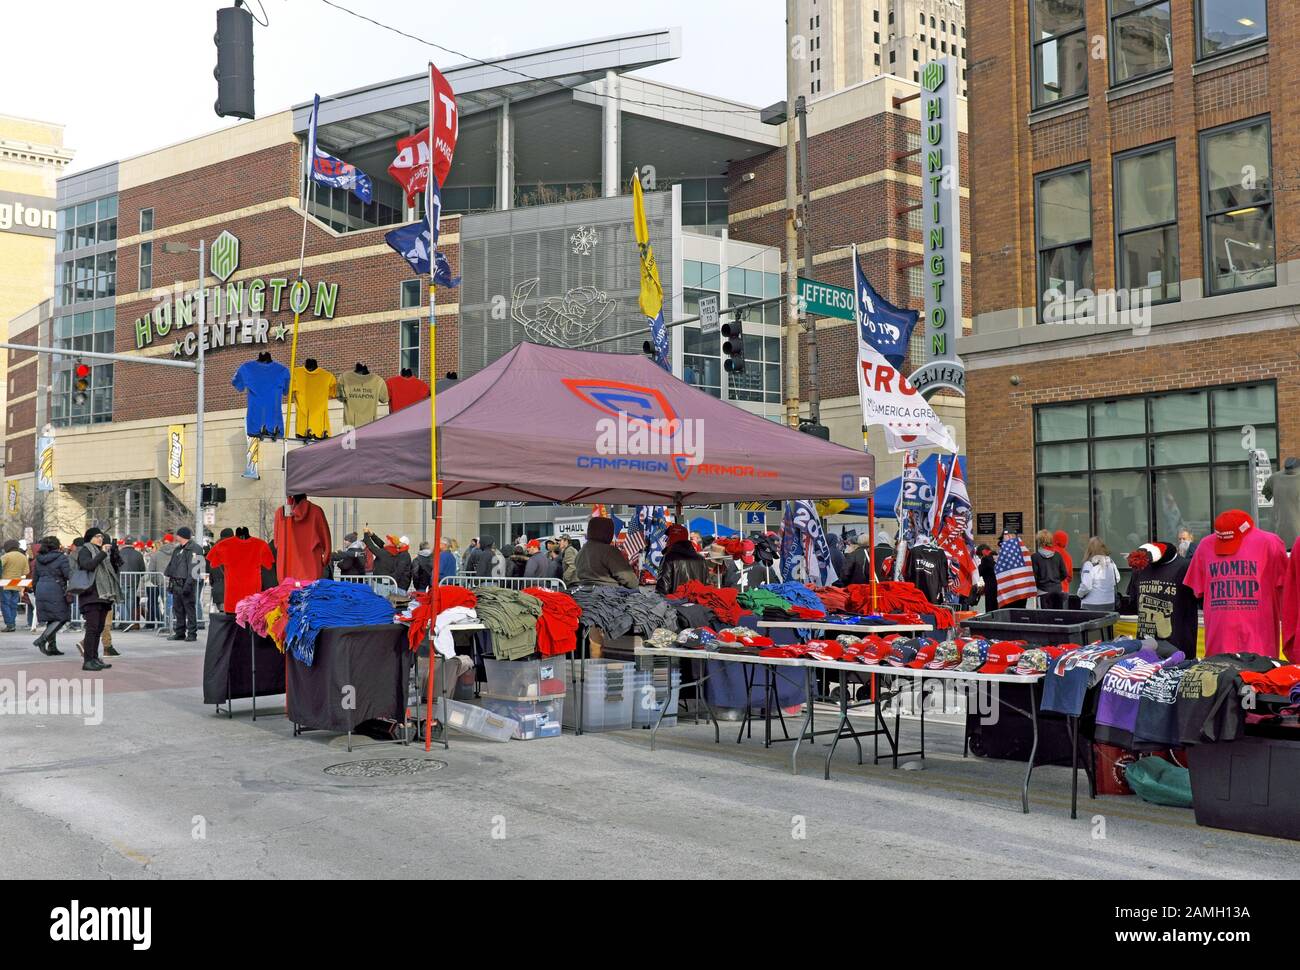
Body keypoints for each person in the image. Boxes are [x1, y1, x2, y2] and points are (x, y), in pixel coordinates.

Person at [77, 528, 119, 671]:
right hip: (91, 595)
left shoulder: (102, 552)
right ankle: (88, 660)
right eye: (97, 536)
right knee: (92, 628)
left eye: (101, 536)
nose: (100, 538)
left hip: (104, 595)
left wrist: (113, 554)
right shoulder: (85, 550)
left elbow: (114, 568)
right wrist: (102, 553)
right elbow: (88, 565)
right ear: (89, 537)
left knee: (99, 628)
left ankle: (94, 658)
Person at [32, 537, 70, 656]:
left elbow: (35, 577)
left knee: (52, 618)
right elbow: (68, 574)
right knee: (61, 617)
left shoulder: (38, 559)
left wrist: (36, 590)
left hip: (41, 588)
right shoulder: (61, 557)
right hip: (56, 588)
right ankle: (42, 639)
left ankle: (52, 646)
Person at [575, 517, 638, 588]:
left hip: (584, 591)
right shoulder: (609, 551)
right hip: (609, 594)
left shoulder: (582, 551)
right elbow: (629, 579)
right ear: (606, 532)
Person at [165, 527, 202, 641]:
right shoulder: (178, 549)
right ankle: (180, 632)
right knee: (178, 609)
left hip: (187, 583)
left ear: (182, 536)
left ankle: (192, 633)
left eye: (178, 535)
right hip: (177, 583)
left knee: (189, 609)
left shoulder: (196, 549)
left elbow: (195, 570)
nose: (176, 537)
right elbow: (172, 566)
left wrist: (188, 584)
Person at [656, 524, 708, 594]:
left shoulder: (668, 558)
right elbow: (707, 588)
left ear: (672, 539)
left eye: (668, 538)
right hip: (698, 603)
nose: (666, 541)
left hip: (675, 603)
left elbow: (662, 590)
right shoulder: (701, 559)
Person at [1078, 536, 1121, 612]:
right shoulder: (1111, 562)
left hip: (1091, 604)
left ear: (1089, 549)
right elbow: (1117, 578)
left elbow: (1086, 585)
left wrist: (1079, 594)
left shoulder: (1089, 564)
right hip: (1109, 603)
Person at [1031, 529, 1067, 610]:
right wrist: (1056, 580)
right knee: (1058, 617)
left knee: (1045, 618)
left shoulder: (1035, 557)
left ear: (1039, 541)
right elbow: (1064, 573)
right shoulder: (1058, 555)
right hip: (1057, 590)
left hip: (1043, 591)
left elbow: (1034, 576)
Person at [0, 539, 27, 632]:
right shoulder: (23, 557)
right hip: (17, 584)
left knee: (5, 604)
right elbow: (26, 571)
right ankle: (13, 623)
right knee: (13, 605)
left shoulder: (6, 556)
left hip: (5, 583)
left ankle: (9, 624)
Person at [976, 543, 998, 614]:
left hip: (991, 588)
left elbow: (979, 572)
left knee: (990, 610)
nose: (979, 558)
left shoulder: (986, 559)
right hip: (999, 587)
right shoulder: (995, 556)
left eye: (979, 557)